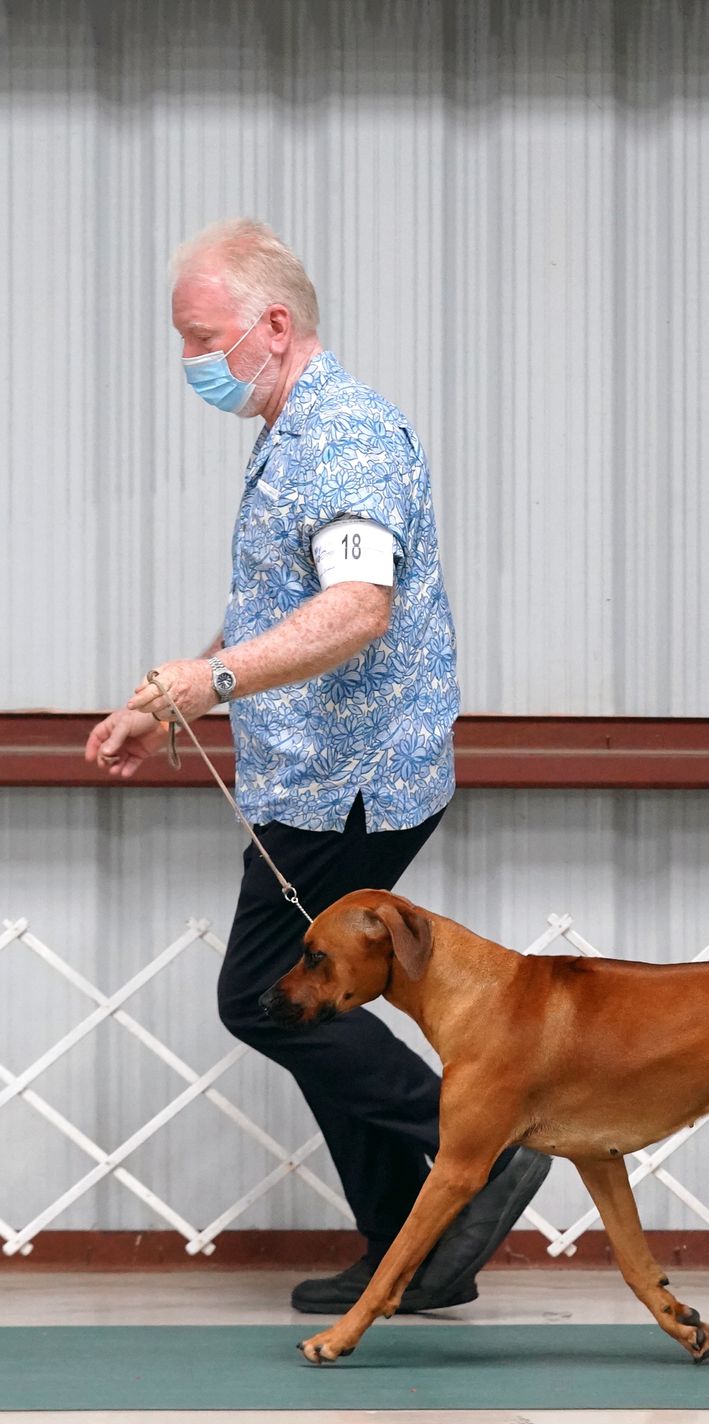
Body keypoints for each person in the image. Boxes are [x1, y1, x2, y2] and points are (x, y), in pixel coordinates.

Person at [85, 218, 550, 1313]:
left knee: (264, 995)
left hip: (348, 779)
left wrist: (213, 685)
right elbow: (280, 610)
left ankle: (479, 1145)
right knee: (321, 997)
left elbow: (355, 610)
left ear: (272, 326)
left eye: (200, 337)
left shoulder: (344, 439)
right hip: (314, 769)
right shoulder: (290, 431)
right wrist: (175, 694)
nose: (191, 360)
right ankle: (414, 1251)